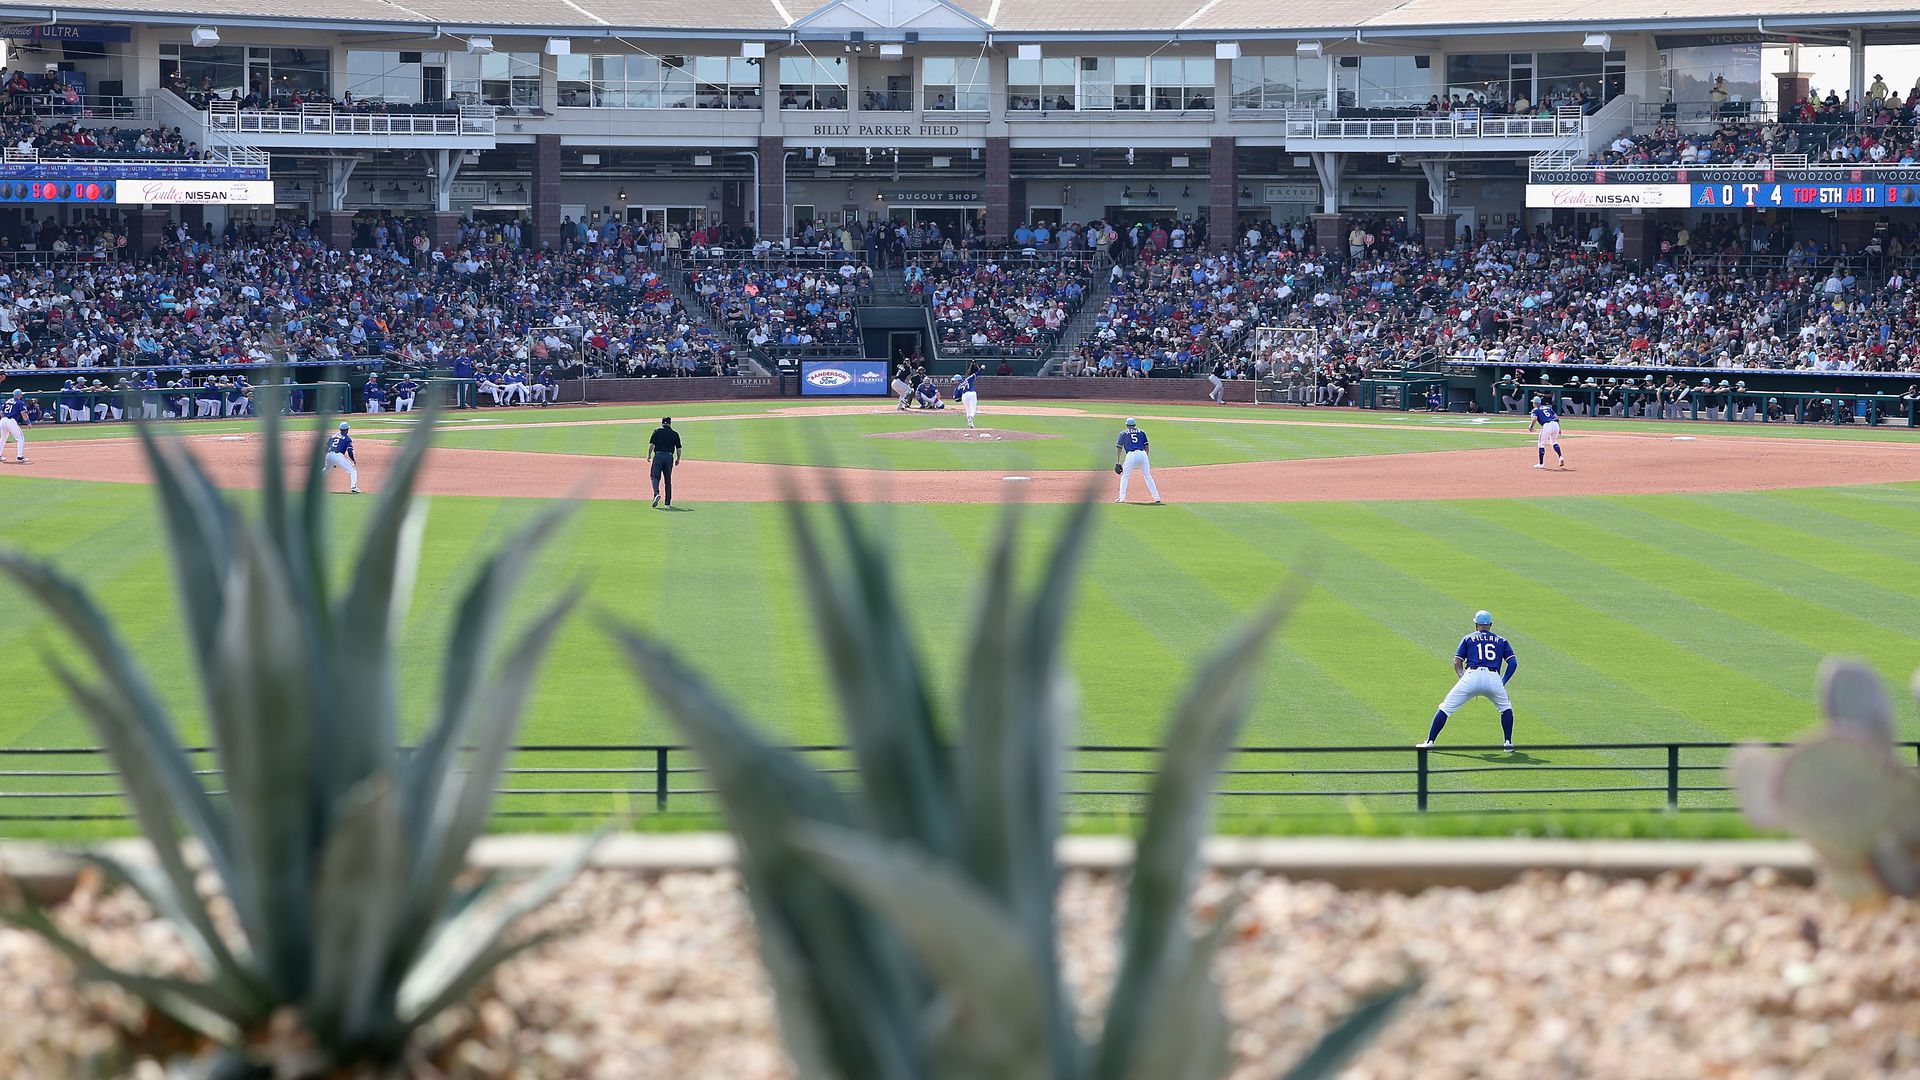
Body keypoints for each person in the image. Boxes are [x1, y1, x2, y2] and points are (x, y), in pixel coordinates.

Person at [1419, 610, 1518, 751]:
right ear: (1490, 625)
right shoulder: (1502, 640)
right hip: (1493, 677)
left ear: (1476, 625)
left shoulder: (1468, 638)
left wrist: (1462, 677)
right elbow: (1513, 663)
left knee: (1445, 708)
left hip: (1471, 676)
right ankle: (1508, 743)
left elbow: (1457, 661)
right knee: (1506, 708)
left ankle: (1430, 742)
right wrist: (1503, 682)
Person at [1113, 417, 1161, 504]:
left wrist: (1118, 462)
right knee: (1148, 476)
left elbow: (1119, 447)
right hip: (1143, 454)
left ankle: (1122, 498)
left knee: (1125, 476)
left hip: (1131, 455)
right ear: (1135, 424)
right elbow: (1147, 446)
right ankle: (1157, 497)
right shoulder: (1141, 432)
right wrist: (1145, 458)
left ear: (1126, 425)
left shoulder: (1123, 433)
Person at [648, 415, 683, 509]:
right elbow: (679, 448)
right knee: (668, 480)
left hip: (658, 456)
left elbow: (651, 445)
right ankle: (667, 503)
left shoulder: (657, 431)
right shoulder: (674, 434)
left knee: (654, 476)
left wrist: (649, 455)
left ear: (662, 423)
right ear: (670, 423)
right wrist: (678, 459)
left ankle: (656, 493)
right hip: (669, 457)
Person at [322, 421, 360, 494]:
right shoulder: (347, 438)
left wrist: (330, 460)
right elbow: (349, 451)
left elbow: (326, 448)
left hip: (329, 455)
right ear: (347, 430)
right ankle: (354, 487)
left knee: (326, 469)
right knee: (353, 471)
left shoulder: (333, 436)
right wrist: (353, 460)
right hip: (338, 456)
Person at [1529, 395, 1565, 469]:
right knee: (1554, 442)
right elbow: (1556, 417)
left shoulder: (1535, 410)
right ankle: (1560, 456)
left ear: (1535, 403)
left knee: (1541, 444)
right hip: (1555, 424)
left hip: (1547, 426)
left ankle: (1541, 464)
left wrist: (1531, 426)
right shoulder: (1548, 408)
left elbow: (1534, 418)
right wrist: (1559, 428)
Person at [0, 388, 28, 464]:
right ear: (19, 395)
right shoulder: (20, 402)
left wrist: (5, 421)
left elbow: (1, 412)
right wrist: (28, 422)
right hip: (11, 421)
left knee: (3, 438)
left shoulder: (8, 401)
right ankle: (20, 457)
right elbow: (23, 414)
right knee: (20, 438)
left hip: (3, 420)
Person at [953, 363, 981, 429]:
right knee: (973, 410)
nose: (954, 381)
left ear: (957, 380)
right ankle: (971, 418)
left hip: (964, 396)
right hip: (972, 393)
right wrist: (981, 369)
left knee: (968, 410)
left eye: (954, 380)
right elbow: (976, 374)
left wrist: (960, 398)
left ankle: (970, 423)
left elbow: (956, 399)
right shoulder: (968, 379)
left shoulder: (957, 387)